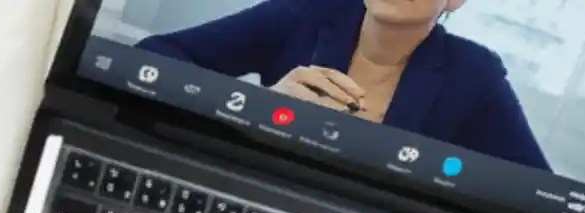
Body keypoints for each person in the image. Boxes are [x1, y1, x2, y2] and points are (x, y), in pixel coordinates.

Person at [137, 0, 552, 171]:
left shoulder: (473, 74)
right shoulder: (306, 14)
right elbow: (150, 58)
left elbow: (539, 198)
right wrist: (256, 107)